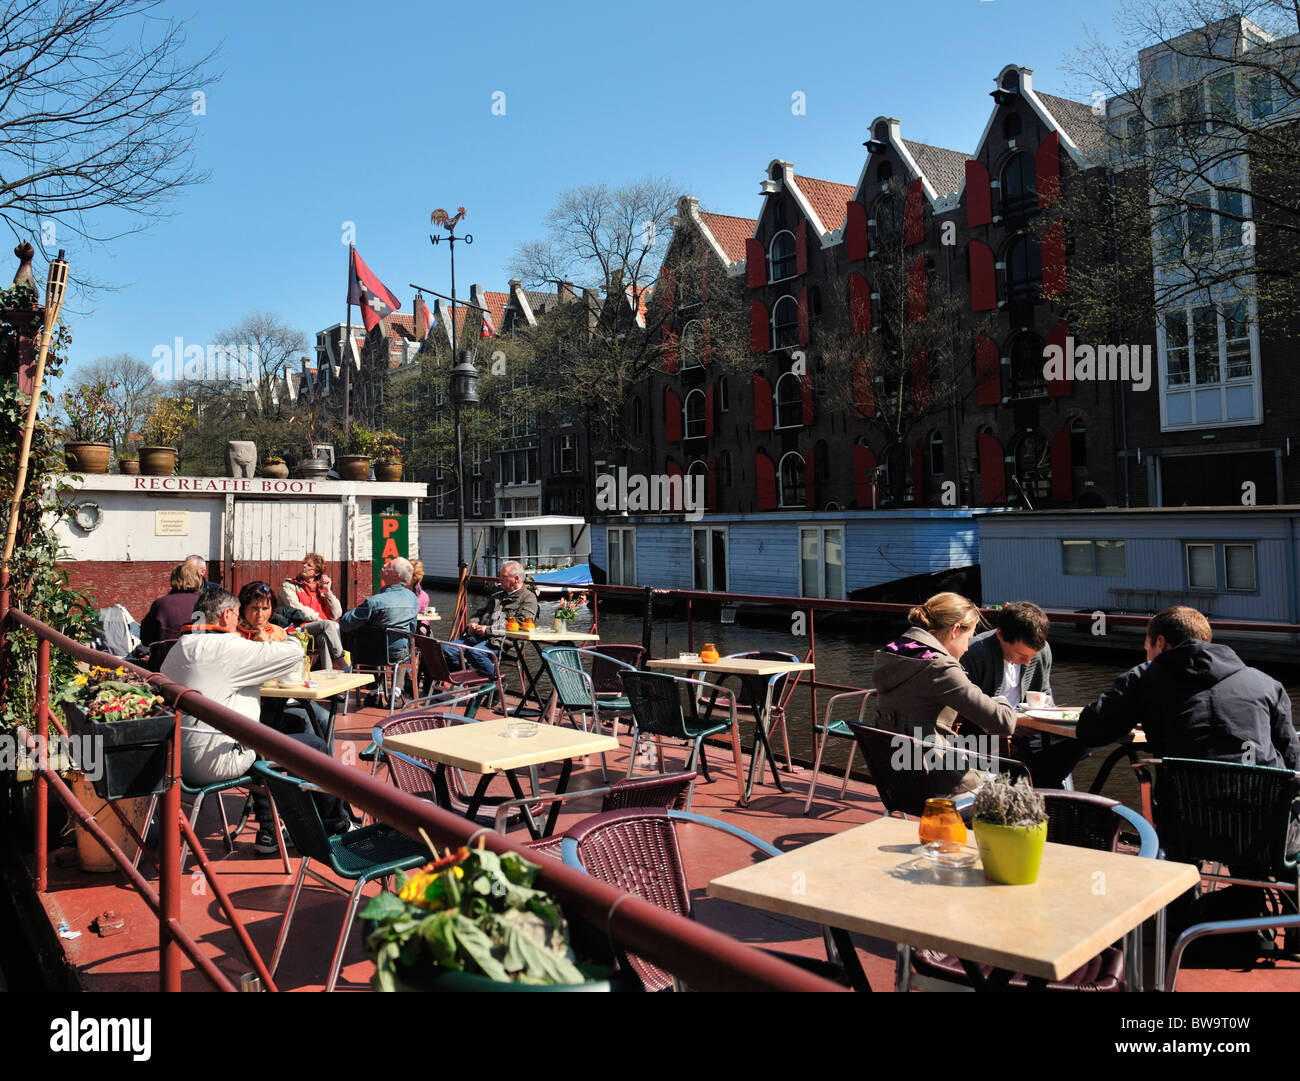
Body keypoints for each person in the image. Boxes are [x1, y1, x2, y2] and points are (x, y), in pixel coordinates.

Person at [161, 587, 351, 852]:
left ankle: (270, 830)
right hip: (217, 759)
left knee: (284, 728)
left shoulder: (179, 648)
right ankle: (337, 827)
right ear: (228, 614)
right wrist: (291, 634)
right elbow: (293, 656)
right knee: (313, 746)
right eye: (238, 614)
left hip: (176, 760)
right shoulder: (228, 647)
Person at [1077, 606, 1299, 772]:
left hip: (1186, 821)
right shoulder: (1266, 684)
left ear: (1161, 643)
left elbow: (1092, 729)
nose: (1147, 657)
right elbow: (1291, 756)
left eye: (1148, 649)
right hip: (1265, 818)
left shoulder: (1143, 678)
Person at [871, 592, 1017, 792]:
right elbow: (1003, 722)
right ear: (956, 630)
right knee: (1012, 784)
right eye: (969, 637)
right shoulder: (940, 667)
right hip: (939, 782)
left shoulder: (893, 654)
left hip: (897, 778)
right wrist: (1002, 699)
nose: (967, 648)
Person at [960, 601, 1088, 788]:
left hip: (1031, 735)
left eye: (1032, 655)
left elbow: (1044, 694)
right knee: (1042, 776)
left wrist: (1046, 716)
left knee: (1086, 738)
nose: (1028, 661)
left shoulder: (1042, 651)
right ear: (1000, 635)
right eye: (1021, 655)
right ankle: (1037, 789)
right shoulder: (974, 653)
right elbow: (964, 709)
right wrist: (1010, 724)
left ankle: (1038, 788)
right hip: (988, 739)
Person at [441, 560, 538, 678]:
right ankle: (468, 678)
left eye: (503, 577)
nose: (499, 579)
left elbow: (520, 624)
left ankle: (497, 686)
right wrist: (472, 624)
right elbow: (478, 614)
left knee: (476, 653)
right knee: (446, 649)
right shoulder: (496, 596)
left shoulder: (528, 598)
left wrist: (487, 630)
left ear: (516, 579)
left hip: (504, 643)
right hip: (479, 638)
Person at [338, 557, 419, 666]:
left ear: (396, 576)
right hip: (397, 653)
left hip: (368, 654)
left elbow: (345, 624)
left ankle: (368, 681)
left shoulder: (375, 602)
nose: (384, 565)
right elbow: (412, 629)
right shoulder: (413, 599)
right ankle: (399, 682)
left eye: (389, 565)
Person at [279, 552, 344, 669]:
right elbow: (295, 607)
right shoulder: (289, 585)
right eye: (304, 564)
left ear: (317, 572)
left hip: (319, 631)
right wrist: (317, 618)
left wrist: (328, 591)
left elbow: (336, 613)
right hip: (298, 629)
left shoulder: (321, 588)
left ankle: (327, 675)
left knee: (323, 639)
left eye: (309, 565)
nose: (304, 566)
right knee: (329, 624)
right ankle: (341, 660)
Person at [138, 562, 204, 646]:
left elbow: (146, 638)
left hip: (166, 656)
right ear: (197, 578)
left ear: (173, 579)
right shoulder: (206, 602)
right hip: (199, 656)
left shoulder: (160, 604)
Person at [409, 559, 432, 635]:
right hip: (403, 626)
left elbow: (424, 614)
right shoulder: (399, 592)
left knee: (428, 635)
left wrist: (423, 625)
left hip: (417, 626)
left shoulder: (423, 596)